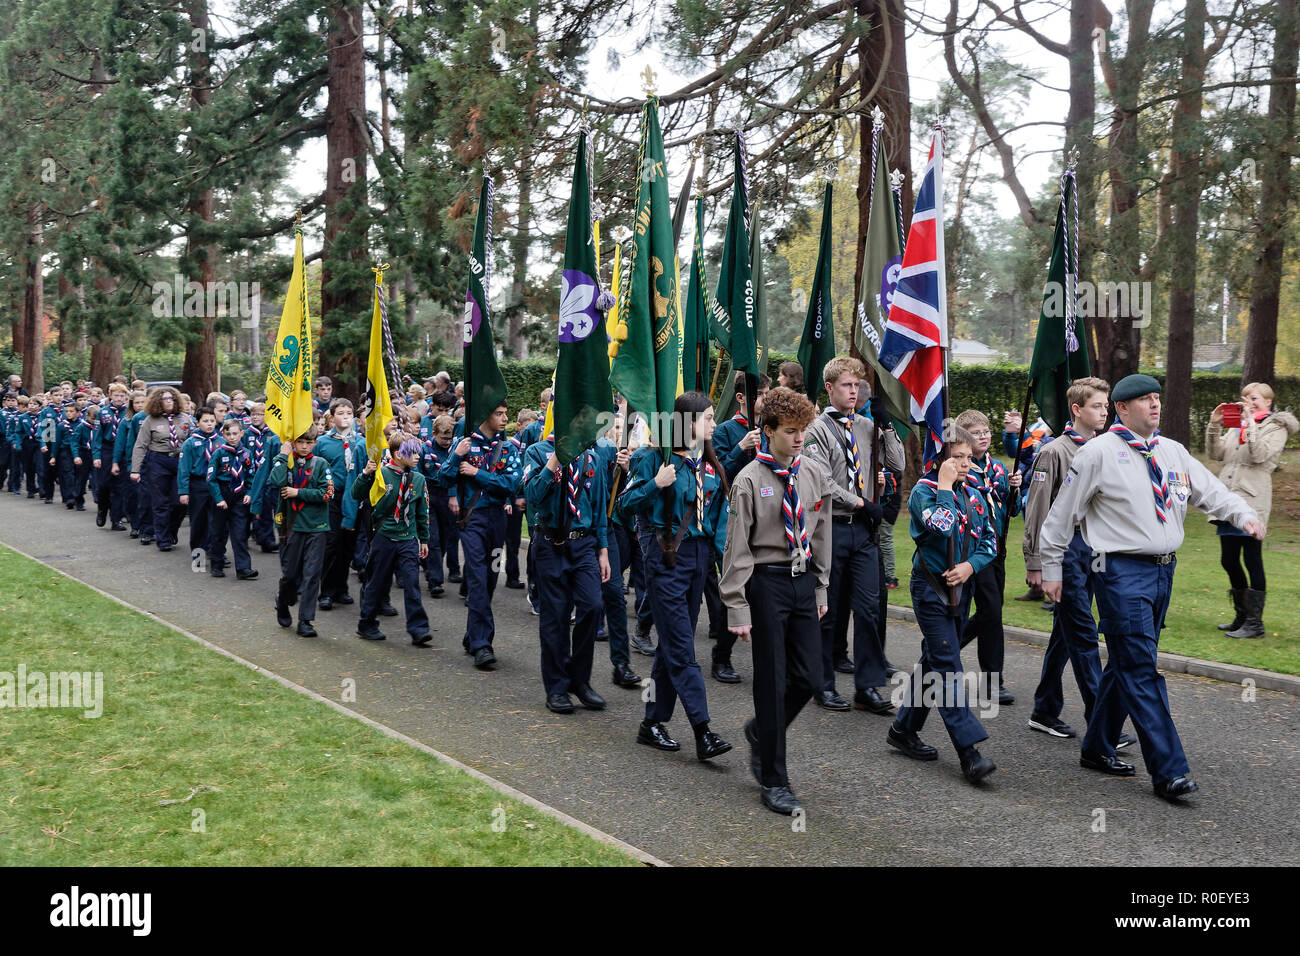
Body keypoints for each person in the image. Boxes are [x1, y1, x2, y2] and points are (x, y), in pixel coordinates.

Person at [1040, 374, 1263, 802]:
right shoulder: (1098, 454)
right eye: (1144, 400)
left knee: (1126, 663)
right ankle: (1170, 771)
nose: (1155, 405)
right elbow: (1061, 517)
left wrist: (1244, 515)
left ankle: (1096, 746)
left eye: (1157, 398)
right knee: (1141, 669)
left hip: (1163, 572)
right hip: (1118, 571)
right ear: (1122, 409)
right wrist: (1051, 568)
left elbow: (1212, 492)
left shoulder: (1171, 451)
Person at [721, 387, 833, 814]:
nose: (800, 438)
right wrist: (737, 606)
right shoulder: (750, 480)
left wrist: (820, 586)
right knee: (771, 680)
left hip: (802, 581)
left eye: (803, 429)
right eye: (790, 431)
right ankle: (774, 779)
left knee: (809, 676)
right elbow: (737, 549)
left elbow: (820, 532)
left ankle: (761, 732)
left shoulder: (812, 474)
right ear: (768, 432)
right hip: (765, 584)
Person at [618, 391, 732, 762]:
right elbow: (625, 504)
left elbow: (716, 527)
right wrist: (657, 483)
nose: (714, 425)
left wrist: (727, 571)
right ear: (687, 422)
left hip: (699, 562)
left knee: (671, 645)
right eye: (709, 418)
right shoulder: (654, 459)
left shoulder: (709, 468)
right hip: (666, 559)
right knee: (683, 647)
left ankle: (651, 722)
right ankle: (704, 730)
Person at [1023, 377, 1136, 746]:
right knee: (1085, 637)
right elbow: (1037, 511)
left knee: (1066, 633)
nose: (1104, 412)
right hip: (1065, 551)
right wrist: (1035, 562)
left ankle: (1044, 709)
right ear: (1077, 409)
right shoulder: (1054, 452)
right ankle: (1102, 722)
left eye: (1106, 406)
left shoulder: (1106, 448)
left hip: (1096, 551)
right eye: (1097, 406)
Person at [888, 425, 999, 784]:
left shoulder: (976, 494)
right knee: (949, 664)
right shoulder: (925, 492)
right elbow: (941, 526)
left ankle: (903, 729)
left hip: (960, 588)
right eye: (957, 457)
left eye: (968, 457)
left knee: (935, 660)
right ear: (940, 459)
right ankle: (970, 753)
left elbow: (989, 543)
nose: (965, 464)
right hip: (931, 589)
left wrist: (970, 567)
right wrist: (946, 486)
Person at [803, 356, 904, 714]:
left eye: (857, 385)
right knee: (827, 611)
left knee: (869, 609)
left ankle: (868, 686)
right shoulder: (816, 429)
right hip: (831, 528)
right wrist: (862, 502)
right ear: (830, 388)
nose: (854, 391)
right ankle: (824, 684)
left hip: (862, 533)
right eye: (846, 385)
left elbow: (897, 464)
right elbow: (823, 482)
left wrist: (887, 426)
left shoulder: (866, 425)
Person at [522, 428, 613, 713]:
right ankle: (557, 687)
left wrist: (604, 550)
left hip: (583, 544)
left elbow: (598, 508)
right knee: (556, 616)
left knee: (593, 606)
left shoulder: (592, 458)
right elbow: (532, 495)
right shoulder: (537, 452)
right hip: (550, 543)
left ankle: (579, 679)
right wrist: (552, 465)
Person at [1205, 382, 1296, 639]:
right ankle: (1242, 616)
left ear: (1268, 401)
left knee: (1252, 558)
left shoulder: (1276, 427)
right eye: (1245, 397)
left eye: (1254, 398)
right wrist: (1215, 424)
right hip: (1229, 499)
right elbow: (1216, 453)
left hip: (1253, 500)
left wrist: (1250, 426)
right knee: (1228, 559)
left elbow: (1259, 456)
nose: (1248, 402)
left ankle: (1255, 624)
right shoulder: (1239, 424)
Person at [440, 400, 522, 669]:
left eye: (506, 414)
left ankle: (471, 634)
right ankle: (482, 644)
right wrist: (455, 457)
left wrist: (479, 473)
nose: (504, 418)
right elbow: (443, 479)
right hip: (472, 520)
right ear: (485, 416)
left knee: (490, 577)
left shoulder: (509, 448)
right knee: (476, 575)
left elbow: (511, 483)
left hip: (498, 519)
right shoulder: (465, 444)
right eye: (498, 413)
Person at [954, 408, 1022, 705]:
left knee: (992, 614)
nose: (983, 437)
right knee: (990, 611)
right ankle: (949, 650)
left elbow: (1012, 510)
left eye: (986, 432)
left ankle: (989, 678)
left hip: (997, 547)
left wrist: (1015, 490)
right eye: (976, 433)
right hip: (973, 549)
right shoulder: (959, 468)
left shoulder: (997, 469)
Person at [707, 373, 771, 684]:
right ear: (742, 397)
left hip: (767, 518)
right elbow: (717, 475)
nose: (764, 399)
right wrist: (740, 447)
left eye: (767, 393)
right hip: (731, 518)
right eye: (759, 394)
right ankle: (722, 655)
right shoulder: (725, 431)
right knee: (735, 586)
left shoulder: (771, 430)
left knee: (762, 589)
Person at [352, 436, 431, 645]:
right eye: (413, 453)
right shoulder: (381, 474)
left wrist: (423, 539)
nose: (417, 456)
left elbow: (421, 511)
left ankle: (419, 629)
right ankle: (367, 623)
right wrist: (366, 474)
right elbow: (356, 493)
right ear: (398, 455)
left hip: (407, 538)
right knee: (376, 583)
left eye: (417, 452)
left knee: (413, 584)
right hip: (384, 536)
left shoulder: (418, 479)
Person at [271, 429, 334, 637]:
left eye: (309, 442)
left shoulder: (321, 464)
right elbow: (276, 481)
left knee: (312, 574)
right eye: (300, 442)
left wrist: (298, 493)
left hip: (317, 527)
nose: (304, 446)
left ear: (315, 443)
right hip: (292, 526)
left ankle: (305, 620)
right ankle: (282, 601)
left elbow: (327, 493)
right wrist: (283, 454)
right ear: (293, 443)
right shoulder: (286, 462)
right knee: (290, 574)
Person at [314, 399, 367, 610]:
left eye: (348, 412)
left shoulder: (361, 442)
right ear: (332, 417)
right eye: (340, 412)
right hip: (332, 497)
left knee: (348, 544)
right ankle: (326, 591)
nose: (345, 416)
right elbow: (315, 468)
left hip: (354, 497)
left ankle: (341, 588)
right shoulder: (323, 442)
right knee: (332, 543)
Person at [130, 386, 194, 552]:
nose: (169, 401)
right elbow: (140, 445)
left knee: (179, 502)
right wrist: (135, 469)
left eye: (171, 398)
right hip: (158, 461)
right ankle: (163, 539)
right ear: (158, 401)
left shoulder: (185, 418)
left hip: (180, 461)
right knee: (160, 503)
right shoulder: (150, 420)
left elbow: (193, 442)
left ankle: (172, 530)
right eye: (165, 399)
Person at [205, 417, 258, 580]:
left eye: (235, 433)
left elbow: (251, 475)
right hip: (222, 494)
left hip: (240, 496)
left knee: (240, 533)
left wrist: (249, 493)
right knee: (218, 532)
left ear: (242, 433)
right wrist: (219, 498)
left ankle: (243, 568)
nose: (232, 437)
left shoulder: (247, 453)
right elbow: (211, 478)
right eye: (228, 434)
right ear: (223, 434)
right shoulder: (219, 453)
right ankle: (217, 564)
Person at [420, 414, 458, 597]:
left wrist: (453, 496)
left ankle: (431, 566)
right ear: (434, 433)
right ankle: (435, 580)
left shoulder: (456, 450)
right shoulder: (424, 449)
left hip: (448, 495)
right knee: (433, 538)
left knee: (445, 537)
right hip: (429, 494)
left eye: (450, 438)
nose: (447, 441)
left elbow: (458, 474)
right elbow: (418, 474)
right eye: (443, 438)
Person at [178, 407, 222, 560]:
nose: (209, 424)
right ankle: (198, 552)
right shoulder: (190, 443)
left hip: (216, 485)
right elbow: (183, 469)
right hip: (198, 484)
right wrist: (183, 491)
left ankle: (216, 551)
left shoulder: (221, 441)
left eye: (212, 421)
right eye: (205, 421)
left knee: (217, 520)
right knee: (198, 519)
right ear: (197, 423)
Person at [504, 406, 540, 590]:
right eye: (527, 427)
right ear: (519, 426)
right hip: (514, 496)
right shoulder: (511, 446)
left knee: (535, 537)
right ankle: (511, 574)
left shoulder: (536, 448)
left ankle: (532, 578)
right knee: (513, 538)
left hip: (531, 497)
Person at [244, 402, 282, 553]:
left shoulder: (272, 434)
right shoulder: (247, 434)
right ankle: (260, 538)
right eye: (253, 414)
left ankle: (271, 540)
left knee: (270, 510)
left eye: (259, 414)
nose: (255, 417)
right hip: (252, 475)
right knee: (258, 509)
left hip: (268, 476)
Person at [115, 391, 152, 542]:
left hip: (151, 462)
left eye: (143, 402)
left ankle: (148, 527)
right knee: (133, 496)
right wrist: (118, 462)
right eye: (137, 403)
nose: (140, 405)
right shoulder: (127, 421)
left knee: (148, 497)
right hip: (133, 462)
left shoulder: (151, 418)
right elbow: (124, 444)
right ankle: (135, 525)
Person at [92, 384, 130, 530]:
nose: (119, 398)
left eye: (122, 396)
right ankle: (102, 509)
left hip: (123, 451)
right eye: (116, 395)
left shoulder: (128, 413)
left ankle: (116, 519)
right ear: (110, 396)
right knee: (103, 485)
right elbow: (97, 437)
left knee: (120, 487)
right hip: (106, 449)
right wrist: (96, 456)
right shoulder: (103, 412)